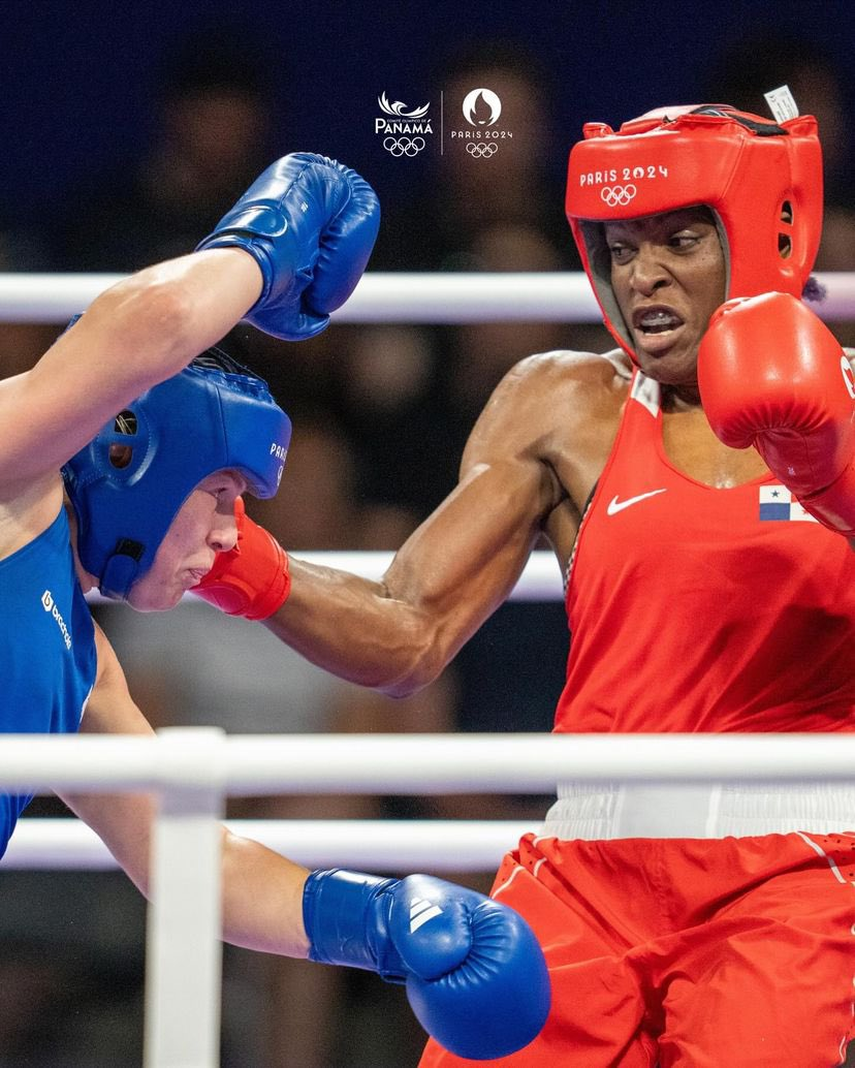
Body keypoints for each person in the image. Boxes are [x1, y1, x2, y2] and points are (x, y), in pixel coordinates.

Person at [193, 103, 855, 1066]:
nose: (643, 277)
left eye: (678, 240)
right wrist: (224, 555)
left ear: (763, 239)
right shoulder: (564, 405)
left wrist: (827, 463)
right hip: (587, 865)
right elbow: (406, 631)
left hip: (795, 868)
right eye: (620, 248)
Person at [0, 151, 551, 1063]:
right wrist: (262, 246)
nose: (231, 537)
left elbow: (195, 868)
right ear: (134, 461)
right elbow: (152, 325)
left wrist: (379, 920)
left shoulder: (88, 670)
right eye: (221, 493)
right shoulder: (15, 489)